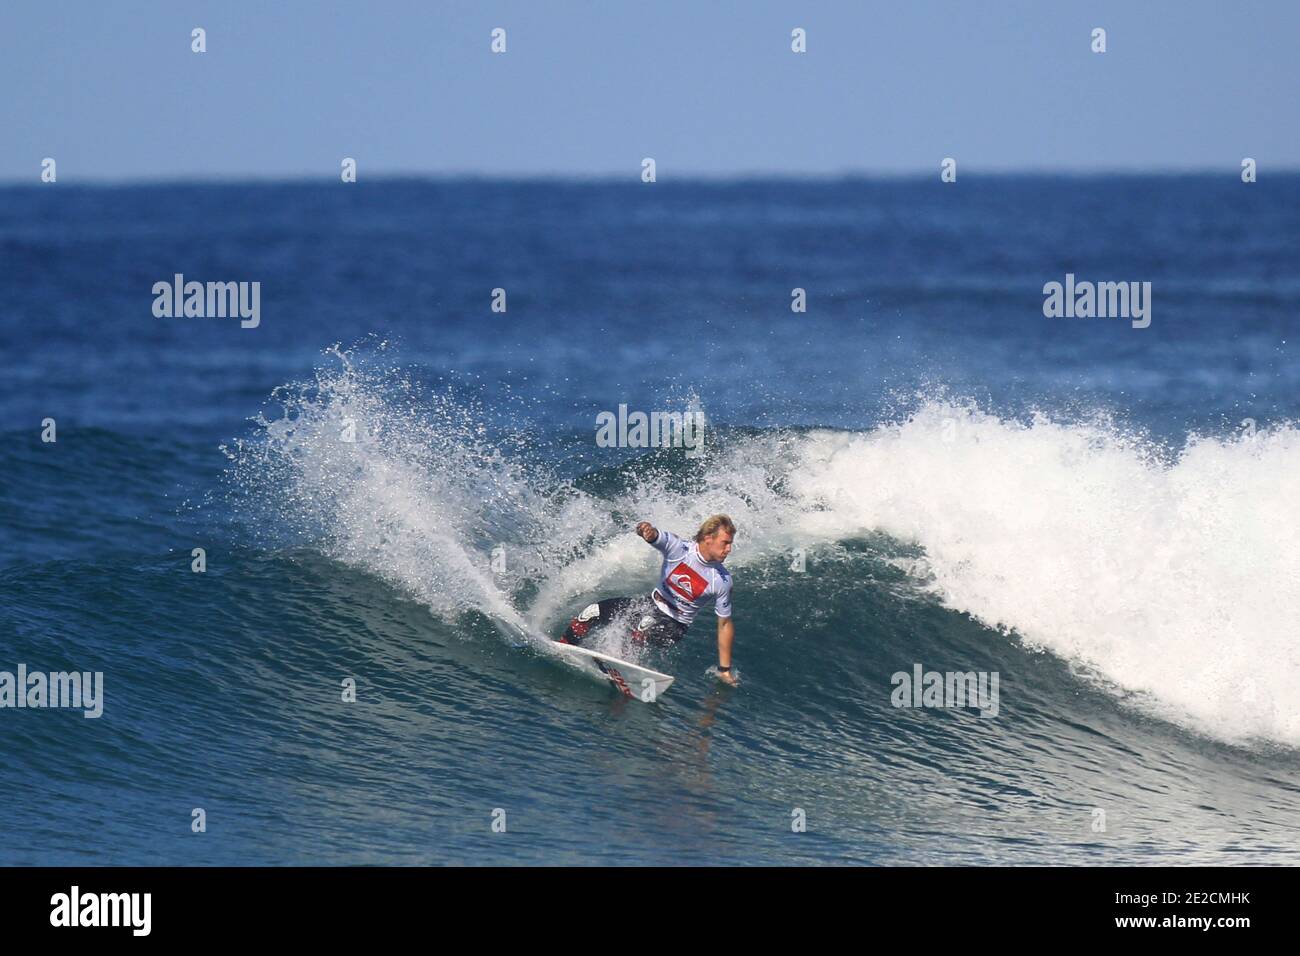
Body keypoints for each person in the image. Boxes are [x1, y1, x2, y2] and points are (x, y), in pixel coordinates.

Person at [558, 514, 738, 685]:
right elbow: (655, 536)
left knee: (644, 623)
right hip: (648, 605)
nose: (729, 549)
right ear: (708, 538)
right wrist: (646, 531)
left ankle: (619, 667)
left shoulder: (721, 580)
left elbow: (724, 624)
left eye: (730, 544)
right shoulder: (679, 549)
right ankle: (563, 646)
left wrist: (724, 669)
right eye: (725, 543)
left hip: (674, 626)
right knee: (592, 611)